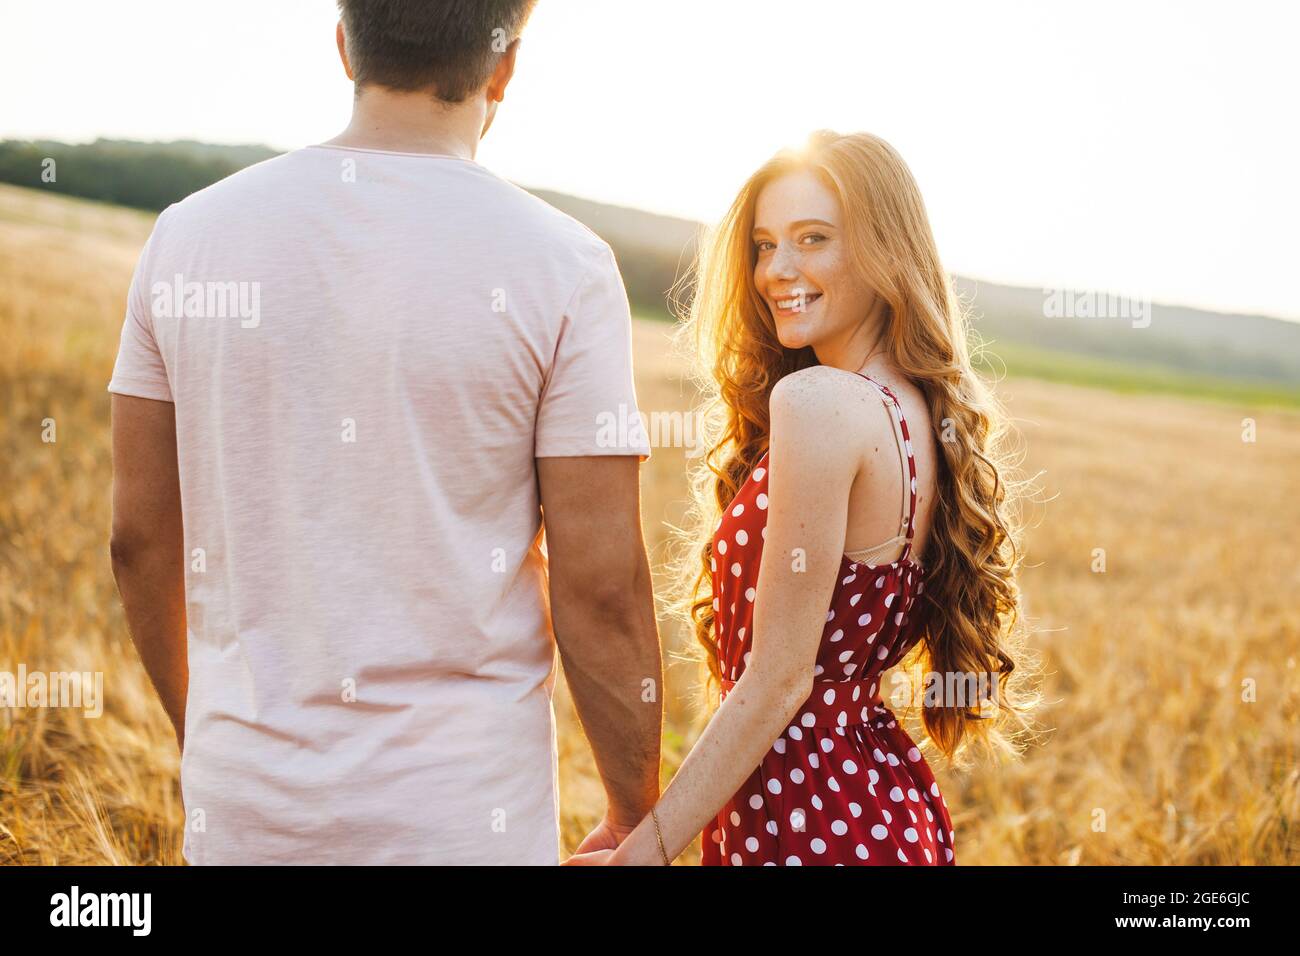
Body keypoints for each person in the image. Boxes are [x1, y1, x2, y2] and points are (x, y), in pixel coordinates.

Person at [107, 0, 663, 865]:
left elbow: (138, 541)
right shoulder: (569, 267)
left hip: (245, 813)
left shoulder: (186, 239)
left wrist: (212, 740)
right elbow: (601, 588)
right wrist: (636, 813)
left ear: (344, 45)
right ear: (504, 66)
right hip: (461, 821)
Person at [567, 131, 1030, 866]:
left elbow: (779, 680)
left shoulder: (822, 402)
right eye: (763, 245)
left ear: (886, 251)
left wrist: (643, 851)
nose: (777, 271)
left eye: (812, 239)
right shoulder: (912, 412)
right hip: (871, 800)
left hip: (805, 816)